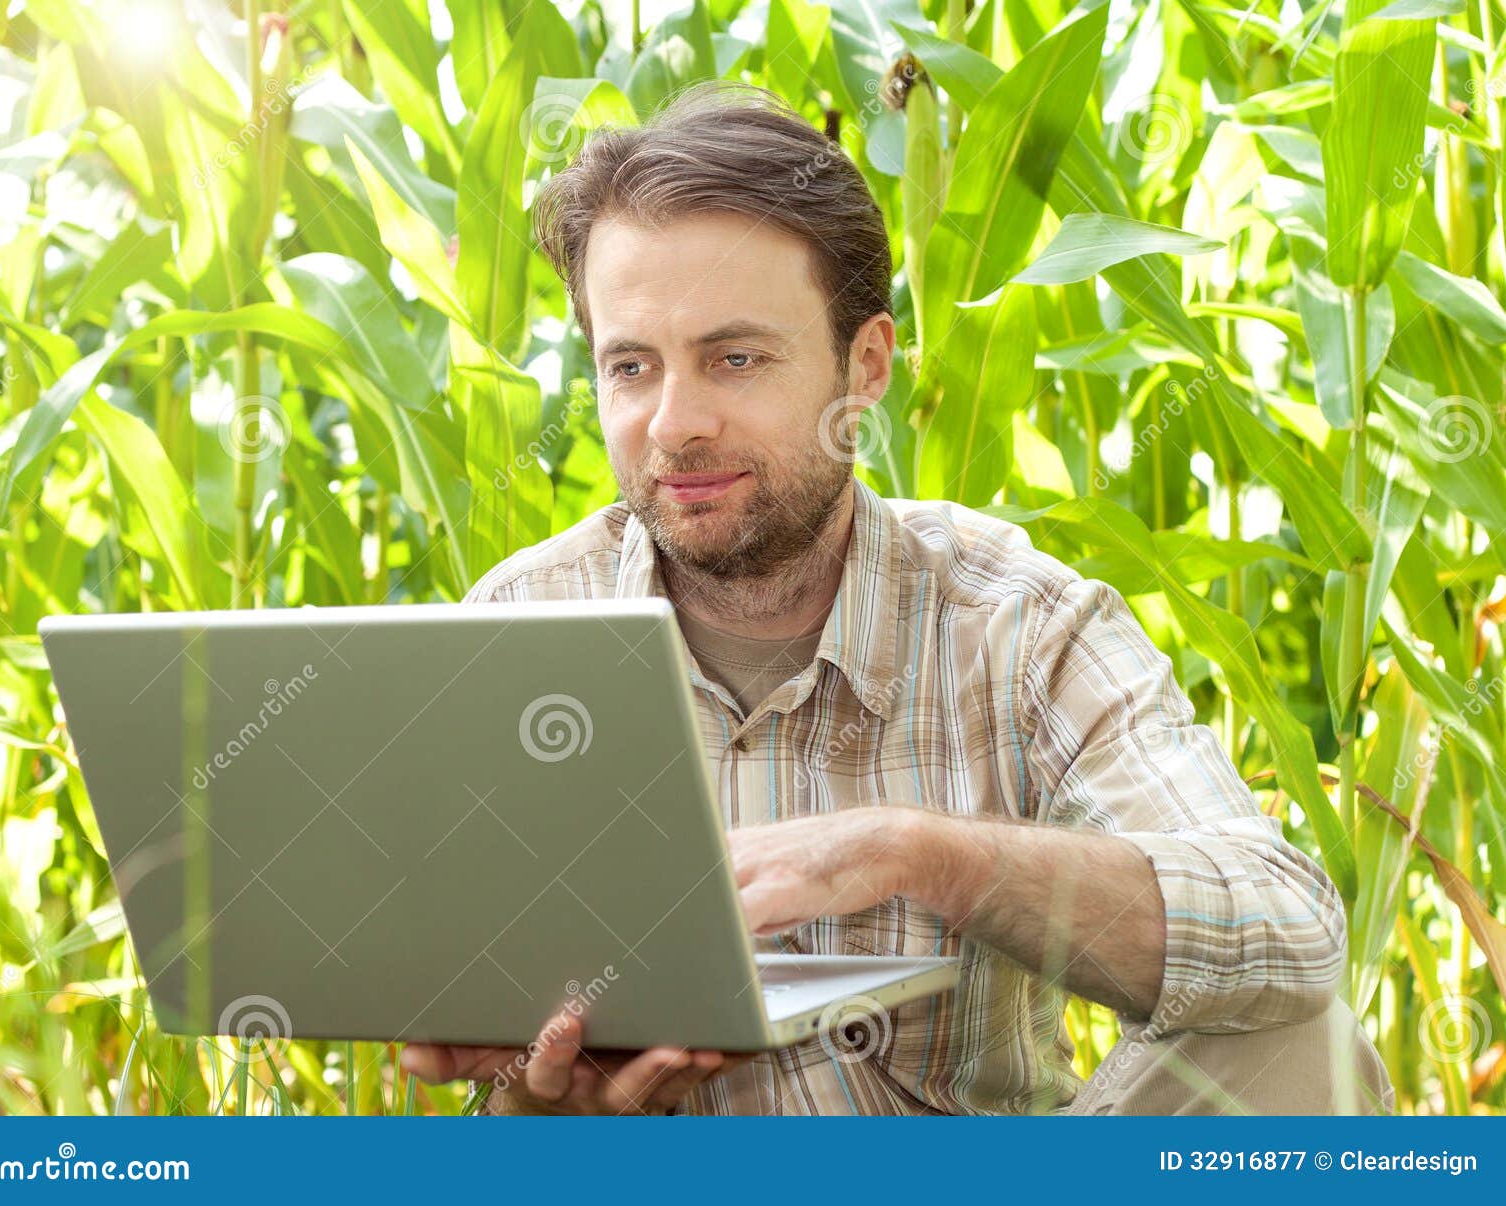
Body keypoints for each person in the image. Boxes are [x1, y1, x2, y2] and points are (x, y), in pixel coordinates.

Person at [399, 80, 1392, 1116]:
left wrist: (921, 854)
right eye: (631, 367)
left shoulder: (1016, 621)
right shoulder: (518, 628)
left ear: (864, 364)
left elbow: (1289, 927)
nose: (673, 423)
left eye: (735, 359)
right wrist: (539, 1102)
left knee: (1298, 1041)